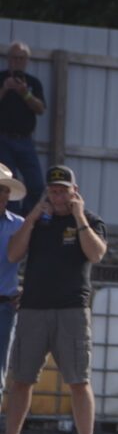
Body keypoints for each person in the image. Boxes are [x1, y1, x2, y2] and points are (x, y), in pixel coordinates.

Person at [0, 165, 106, 434]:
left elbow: (96, 254)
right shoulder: (37, 222)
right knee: (22, 379)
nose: (58, 197)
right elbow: (13, 254)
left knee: (78, 380)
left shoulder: (91, 220)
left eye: (63, 191)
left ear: (74, 191)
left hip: (72, 309)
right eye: (54, 191)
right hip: (34, 309)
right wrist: (34, 216)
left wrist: (79, 217)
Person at [0, 41, 46, 215]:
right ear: (8, 59)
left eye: (21, 58)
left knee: (36, 184)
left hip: (25, 140)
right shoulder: (1, 79)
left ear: (26, 61)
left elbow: (40, 109)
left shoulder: (33, 82)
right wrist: (5, 89)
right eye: (14, 58)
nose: (17, 62)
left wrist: (25, 93)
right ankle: (10, 219)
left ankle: (26, 219)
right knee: (7, 183)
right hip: (3, 139)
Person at [0, 163, 26, 408]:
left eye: (4, 190)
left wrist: (29, 288)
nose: (2, 194)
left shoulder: (20, 225)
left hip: (4, 306)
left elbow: (42, 259)